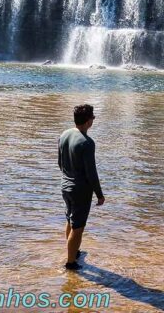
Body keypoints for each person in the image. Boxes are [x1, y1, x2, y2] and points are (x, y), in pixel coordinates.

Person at [58, 104, 105, 270]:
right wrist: (99, 194)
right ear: (88, 121)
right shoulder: (87, 143)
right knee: (78, 227)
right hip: (80, 190)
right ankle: (70, 263)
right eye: (92, 117)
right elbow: (91, 173)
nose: (93, 120)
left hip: (65, 186)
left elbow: (60, 163)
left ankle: (74, 252)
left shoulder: (64, 134)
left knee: (70, 220)